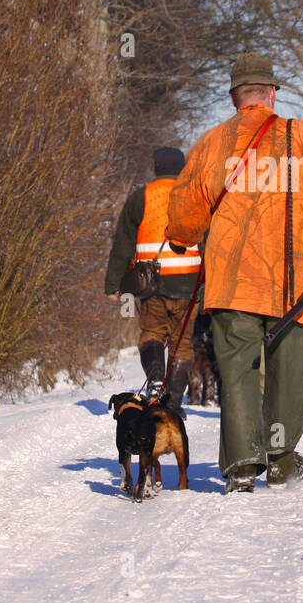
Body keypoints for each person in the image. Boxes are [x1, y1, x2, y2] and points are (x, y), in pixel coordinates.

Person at [165, 52, 303, 493]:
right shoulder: (300, 136)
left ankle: (244, 465)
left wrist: (181, 238)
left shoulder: (213, 143)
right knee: (288, 371)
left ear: (234, 98)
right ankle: (282, 461)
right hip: (293, 283)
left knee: (238, 372)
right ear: (271, 93)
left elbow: (186, 215)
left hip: (232, 282)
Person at [103, 147, 200, 415]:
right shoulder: (194, 196)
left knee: (152, 333)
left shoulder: (140, 197)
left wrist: (113, 285)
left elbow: (122, 244)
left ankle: (155, 385)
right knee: (182, 341)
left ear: (156, 167)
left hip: (151, 284)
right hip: (188, 284)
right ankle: (174, 403)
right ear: (182, 168)